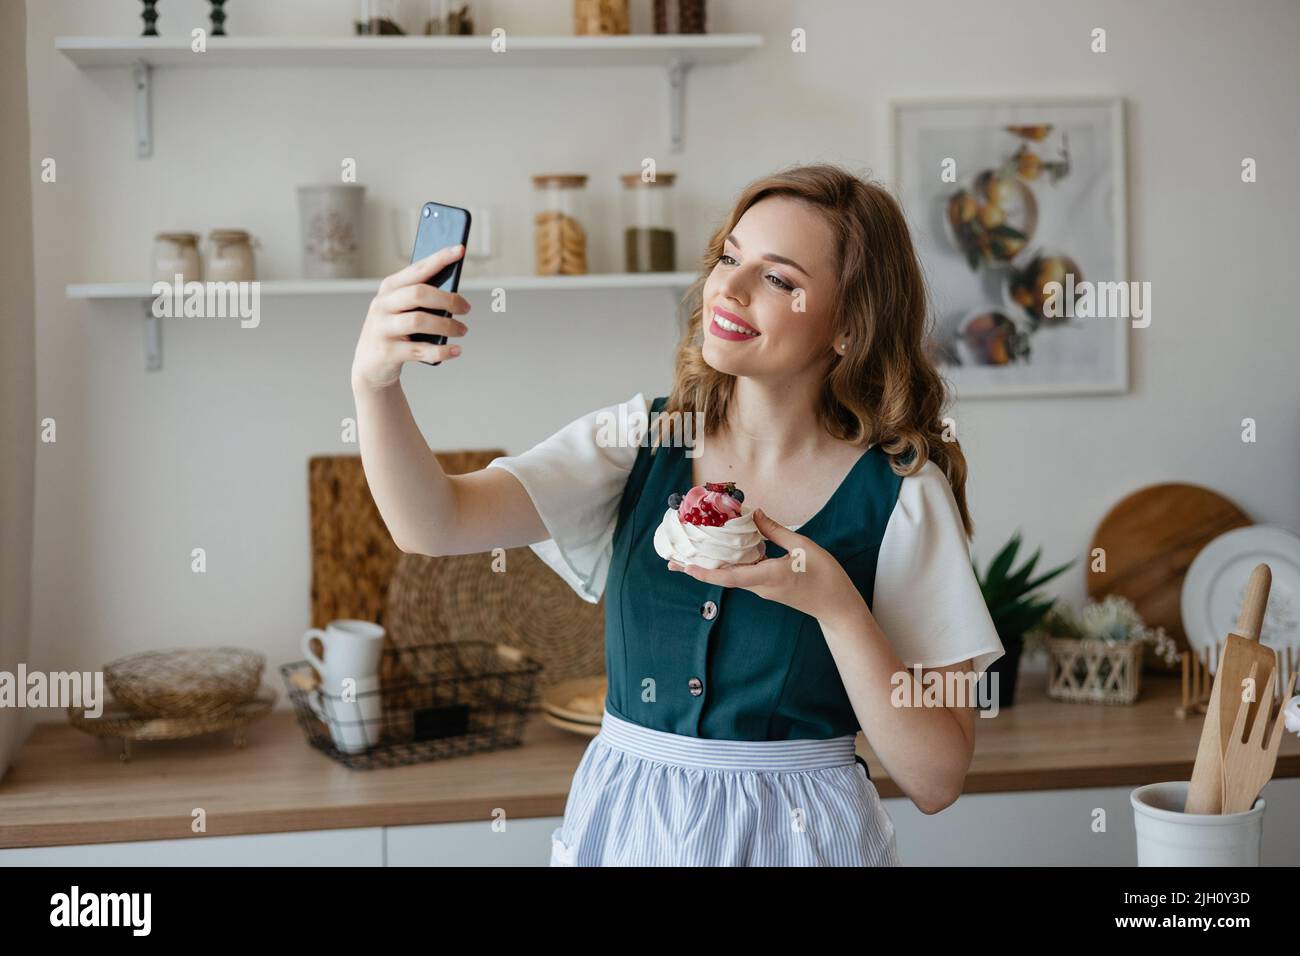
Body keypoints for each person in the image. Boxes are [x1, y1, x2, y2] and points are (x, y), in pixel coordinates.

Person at [351, 163, 1004, 866]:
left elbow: (936, 779)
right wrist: (374, 384)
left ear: (849, 326)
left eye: (780, 279)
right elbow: (434, 523)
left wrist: (838, 608)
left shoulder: (903, 495)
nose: (731, 286)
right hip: (630, 829)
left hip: (802, 841)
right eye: (730, 257)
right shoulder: (638, 440)